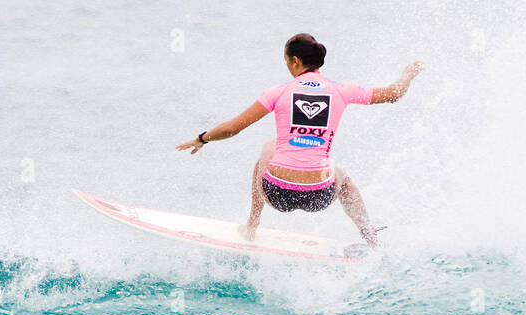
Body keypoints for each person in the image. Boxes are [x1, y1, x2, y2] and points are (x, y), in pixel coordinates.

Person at [176, 33, 422, 246]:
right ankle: (370, 236)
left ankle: (251, 225)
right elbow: (394, 94)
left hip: (277, 193)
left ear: (294, 61)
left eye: (286, 61)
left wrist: (202, 138)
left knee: (269, 148)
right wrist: (407, 75)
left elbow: (232, 129)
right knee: (342, 177)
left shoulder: (278, 92)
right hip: (320, 195)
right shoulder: (341, 90)